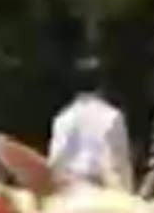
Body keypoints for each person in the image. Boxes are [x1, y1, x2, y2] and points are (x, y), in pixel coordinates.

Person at [47, 56, 135, 191]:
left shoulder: (63, 119)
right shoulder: (112, 116)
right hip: (104, 188)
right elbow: (120, 158)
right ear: (102, 84)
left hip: (71, 189)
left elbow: (56, 159)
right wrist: (128, 192)